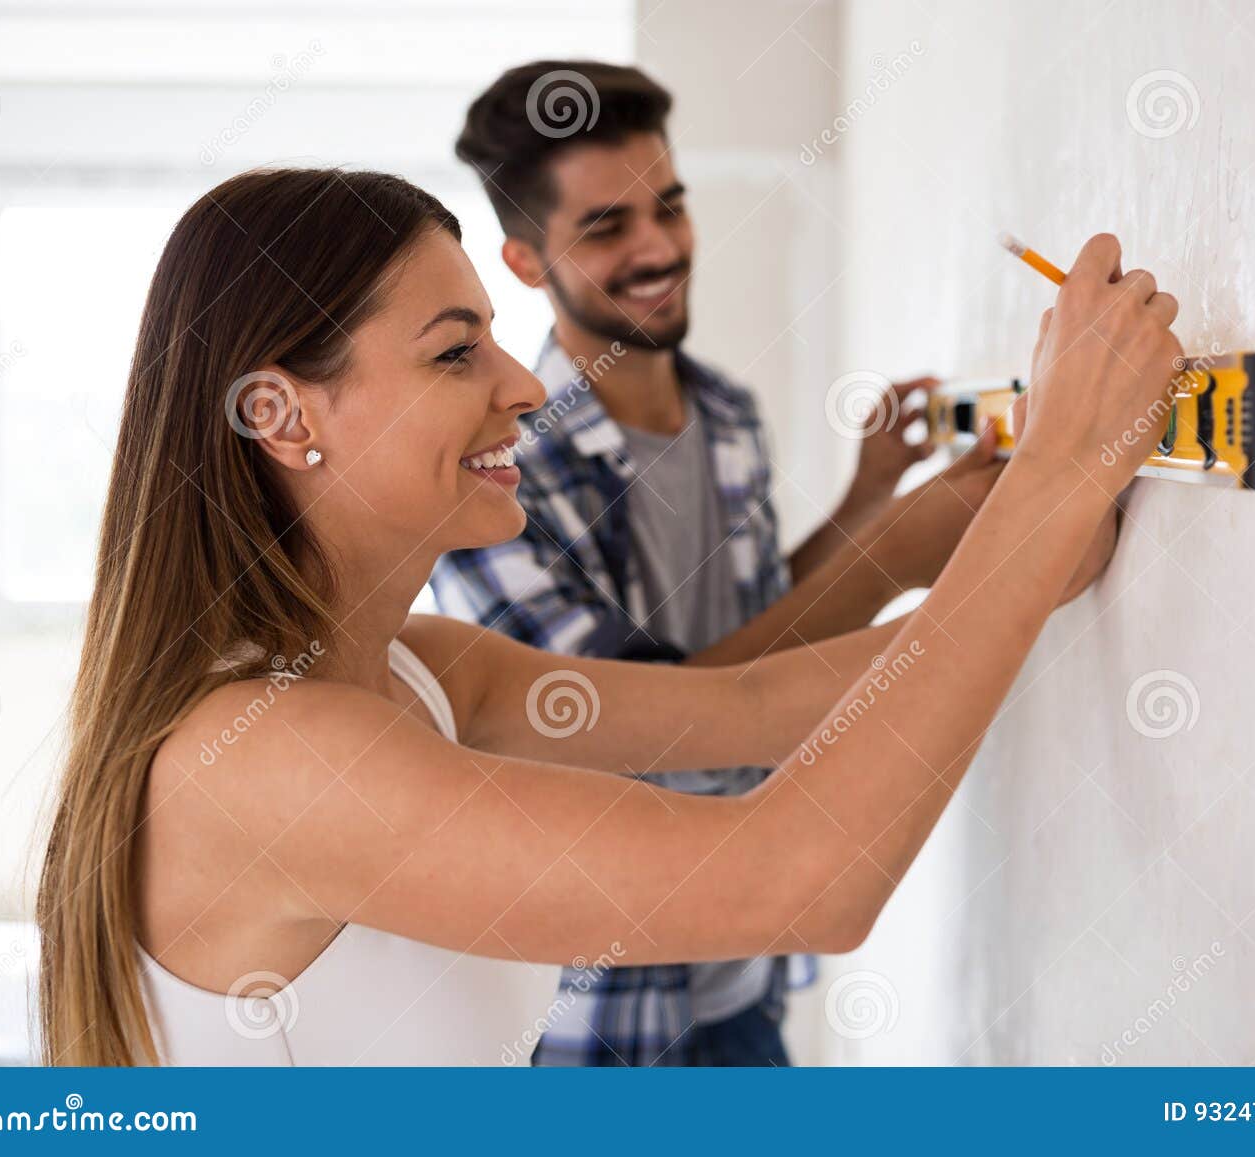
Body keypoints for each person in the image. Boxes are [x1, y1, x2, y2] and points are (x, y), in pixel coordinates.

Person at [33, 165, 1180, 1066]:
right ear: (284, 417)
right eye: (455, 351)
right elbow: (798, 880)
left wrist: (1017, 543)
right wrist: (1053, 476)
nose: (525, 384)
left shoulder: (427, 673)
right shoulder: (269, 757)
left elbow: (754, 702)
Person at [433, 61, 1119, 1065]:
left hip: (744, 985)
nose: (659, 247)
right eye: (608, 228)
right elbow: (648, 725)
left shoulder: (726, 412)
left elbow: (764, 625)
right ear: (527, 263)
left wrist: (866, 499)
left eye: (669, 206)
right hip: (600, 1019)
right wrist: (894, 552)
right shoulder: (500, 471)